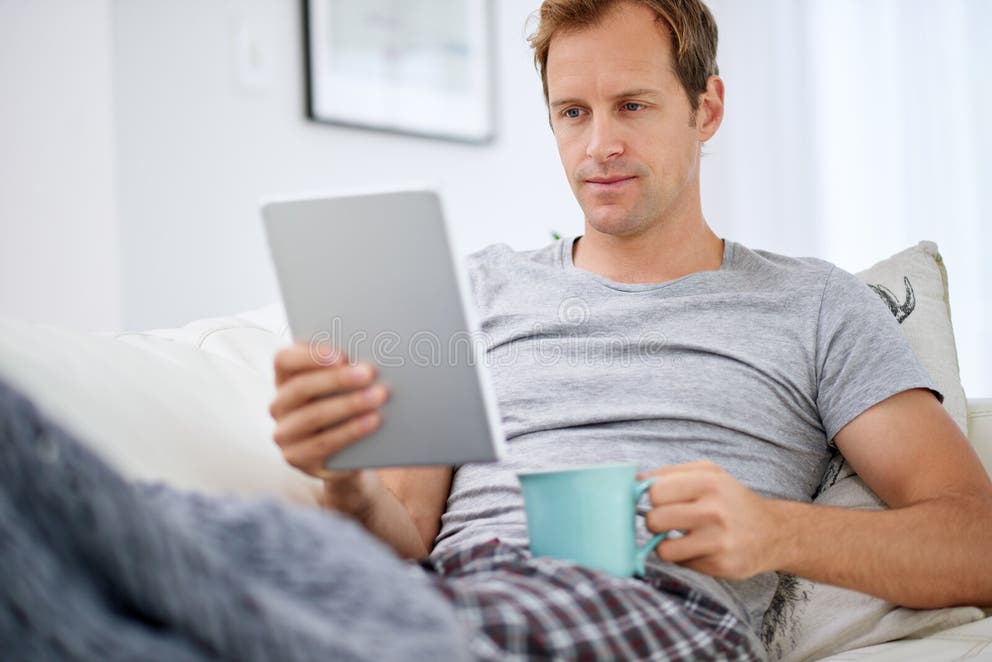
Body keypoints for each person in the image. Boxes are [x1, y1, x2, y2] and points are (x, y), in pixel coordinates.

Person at [268, 0, 992, 658]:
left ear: (705, 109)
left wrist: (774, 531)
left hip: (659, 610)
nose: (598, 146)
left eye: (633, 106)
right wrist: (348, 485)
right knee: (181, 537)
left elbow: (977, 542)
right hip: (450, 598)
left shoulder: (817, 305)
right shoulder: (479, 289)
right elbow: (407, 534)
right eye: (573, 112)